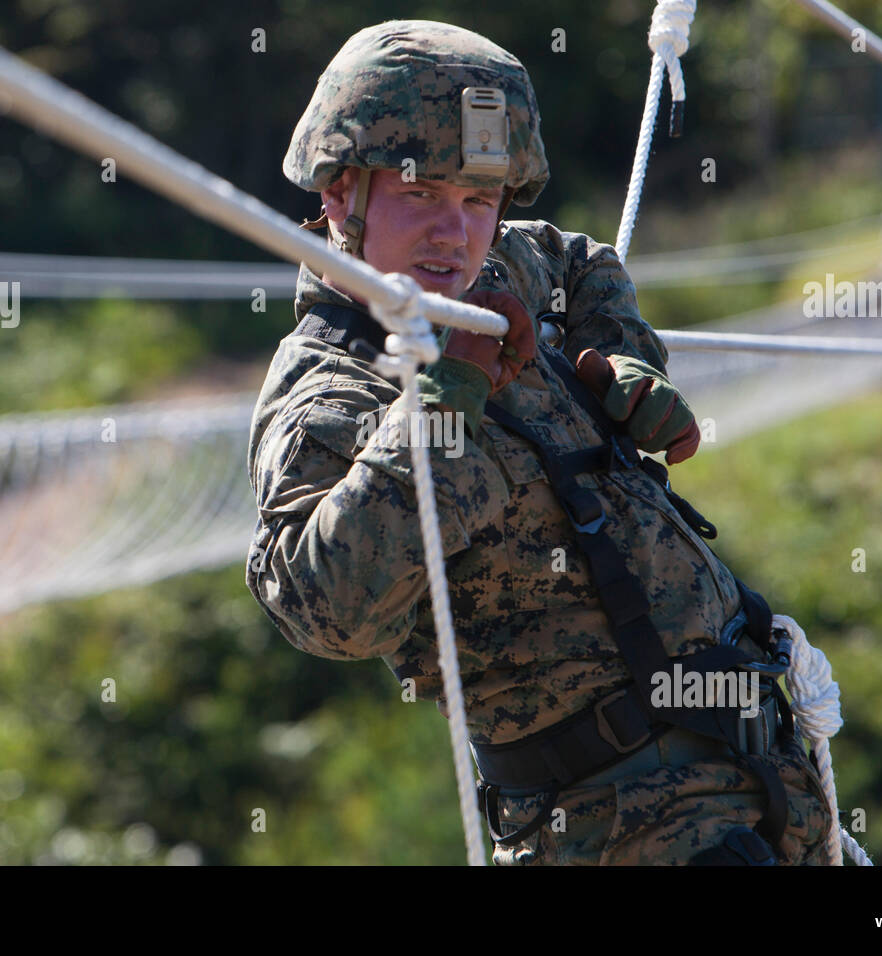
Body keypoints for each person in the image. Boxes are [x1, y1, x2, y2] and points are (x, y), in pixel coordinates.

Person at [246, 19, 833, 865]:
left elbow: (582, 260)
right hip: (611, 825)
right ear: (342, 195)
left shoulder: (493, 272)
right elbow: (328, 609)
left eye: (480, 198)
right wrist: (449, 398)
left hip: (762, 778)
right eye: (421, 194)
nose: (456, 231)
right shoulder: (330, 388)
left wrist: (623, 356)